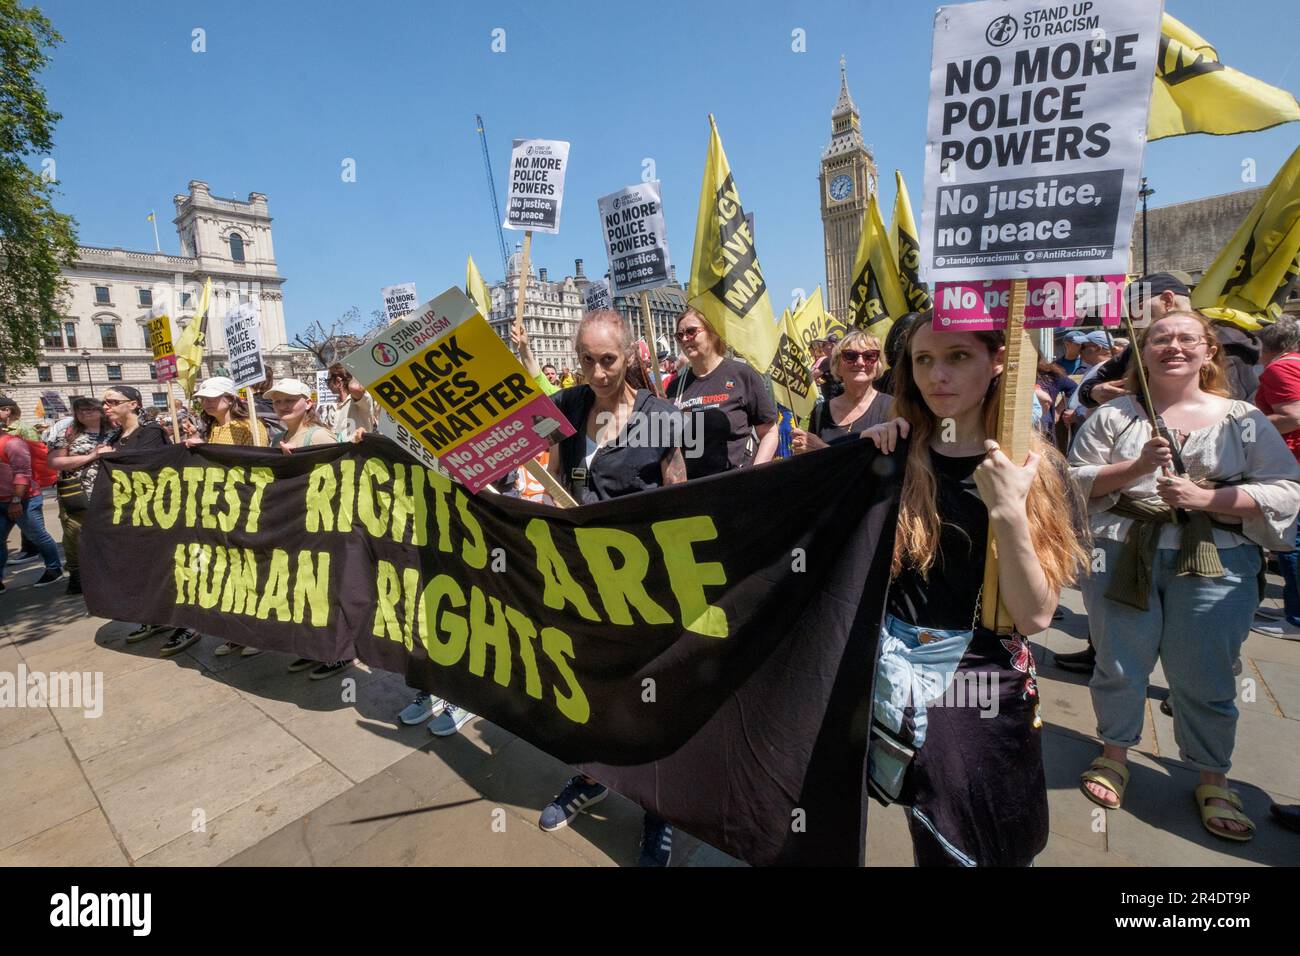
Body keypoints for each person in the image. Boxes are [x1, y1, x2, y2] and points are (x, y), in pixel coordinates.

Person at [858, 313, 1087, 866]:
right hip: (896, 675)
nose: (938, 376)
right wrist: (863, 461)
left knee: (984, 838)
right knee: (928, 825)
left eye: (958, 356)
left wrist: (1008, 510)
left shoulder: (1030, 465)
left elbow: (1035, 615)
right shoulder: (894, 455)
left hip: (981, 679)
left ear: (997, 362)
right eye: (924, 360)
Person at [1068, 311, 1300, 843]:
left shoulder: (1241, 416)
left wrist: (1209, 498)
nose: (1173, 346)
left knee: (1207, 672)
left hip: (1217, 558)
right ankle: (1113, 754)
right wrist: (1131, 470)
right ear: (1143, 351)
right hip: (1123, 552)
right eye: (1160, 338)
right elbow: (1070, 481)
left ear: (1208, 351)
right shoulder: (1114, 418)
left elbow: (1286, 488)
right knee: (1120, 659)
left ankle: (1213, 775)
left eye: (1186, 338)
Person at [539, 308, 688, 867]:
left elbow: (679, 499)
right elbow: (555, 480)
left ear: (630, 356)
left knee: (650, 699)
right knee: (594, 691)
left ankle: (658, 809)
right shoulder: (568, 410)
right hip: (582, 583)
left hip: (645, 587)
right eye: (586, 360)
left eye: (607, 360)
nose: (597, 373)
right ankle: (592, 777)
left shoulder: (663, 417)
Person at [263, 378, 353, 679]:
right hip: (294, 527)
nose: (283, 406)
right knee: (303, 589)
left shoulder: (318, 437)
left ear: (308, 402)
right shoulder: (277, 440)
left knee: (325, 590)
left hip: (321, 528)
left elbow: (341, 477)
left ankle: (339, 652)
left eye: (290, 400)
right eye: (277, 402)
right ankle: (315, 647)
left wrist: (300, 463)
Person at [184, 377, 261, 655]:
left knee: (248, 570)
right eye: (203, 398)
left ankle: (256, 634)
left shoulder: (249, 425)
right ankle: (237, 632)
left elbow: (258, 462)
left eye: (212, 397)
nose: (206, 402)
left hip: (245, 506)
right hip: (221, 508)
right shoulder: (214, 428)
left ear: (230, 399)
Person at [665, 307, 779, 479]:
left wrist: (755, 474)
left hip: (739, 483)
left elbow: (769, 432)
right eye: (679, 335)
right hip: (695, 489)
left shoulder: (742, 375)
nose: (685, 339)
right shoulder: (675, 387)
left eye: (691, 331)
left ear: (712, 332)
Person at [1246, 317, 1300, 640]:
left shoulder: (1279, 369)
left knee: (1291, 541)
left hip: (1292, 464)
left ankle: (1295, 618)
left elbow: (1293, 415)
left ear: (1265, 345)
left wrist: (1250, 427)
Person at [46, 398, 112, 596]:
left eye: (91, 409)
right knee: (75, 536)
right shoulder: (67, 433)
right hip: (78, 494)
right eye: (81, 410)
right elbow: (54, 461)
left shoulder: (115, 431)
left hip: (109, 493)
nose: (86, 413)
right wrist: (91, 456)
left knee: (108, 537)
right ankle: (77, 576)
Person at [790, 330, 892, 452]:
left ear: (878, 365)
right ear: (837, 365)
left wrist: (823, 450)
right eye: (850, 355)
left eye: (869, 356)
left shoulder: (893, 408)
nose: (860, 362)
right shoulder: (820, 412)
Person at [0, 413, 64, 591]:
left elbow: (23, 473)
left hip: (24, 500)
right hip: (3, 501)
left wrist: (16, 500)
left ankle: (53, 568)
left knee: (38, 536)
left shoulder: (13, 443)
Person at [327, 363, 376, 443]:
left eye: (328, 380)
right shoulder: (333, 406)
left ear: (338, 381)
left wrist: (354, 370)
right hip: (340, 452)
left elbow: (355, 387)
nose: (327, 384)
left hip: (360, 453)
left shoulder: (360, 400)